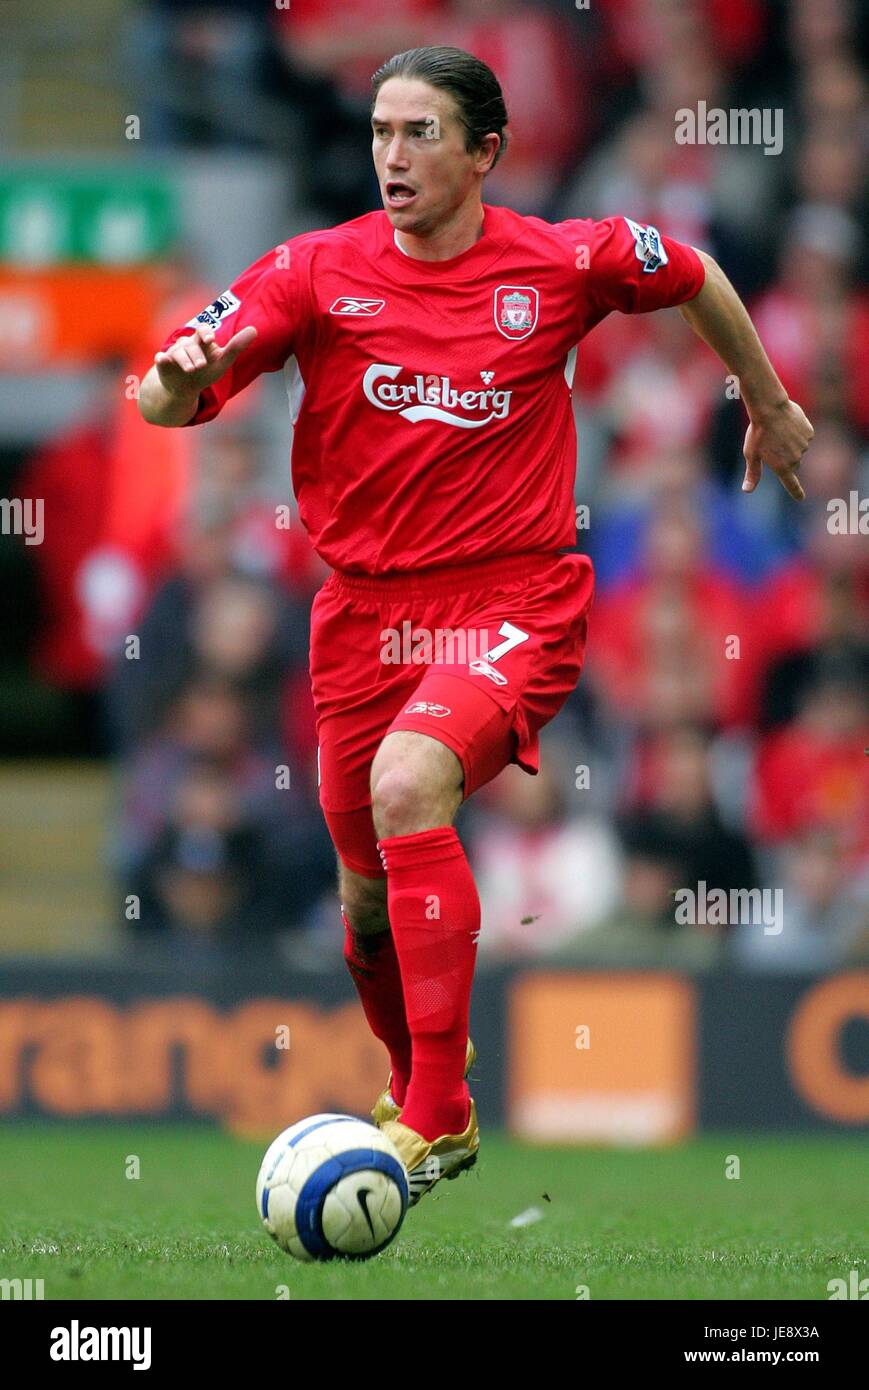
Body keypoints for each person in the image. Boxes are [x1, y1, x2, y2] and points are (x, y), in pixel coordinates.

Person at [138, 46, 814, 1206]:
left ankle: (442, 1109)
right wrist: (174, 375)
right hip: (359, 614)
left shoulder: (558, 261)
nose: (391, 159)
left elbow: (692, 268)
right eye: (379, 135)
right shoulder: (311, 270)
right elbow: (169, 393)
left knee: (410, 787)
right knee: (363, 897)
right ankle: (417, 1096)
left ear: (483, 151)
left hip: (512, 597)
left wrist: (765, 397)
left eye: (419, 135)